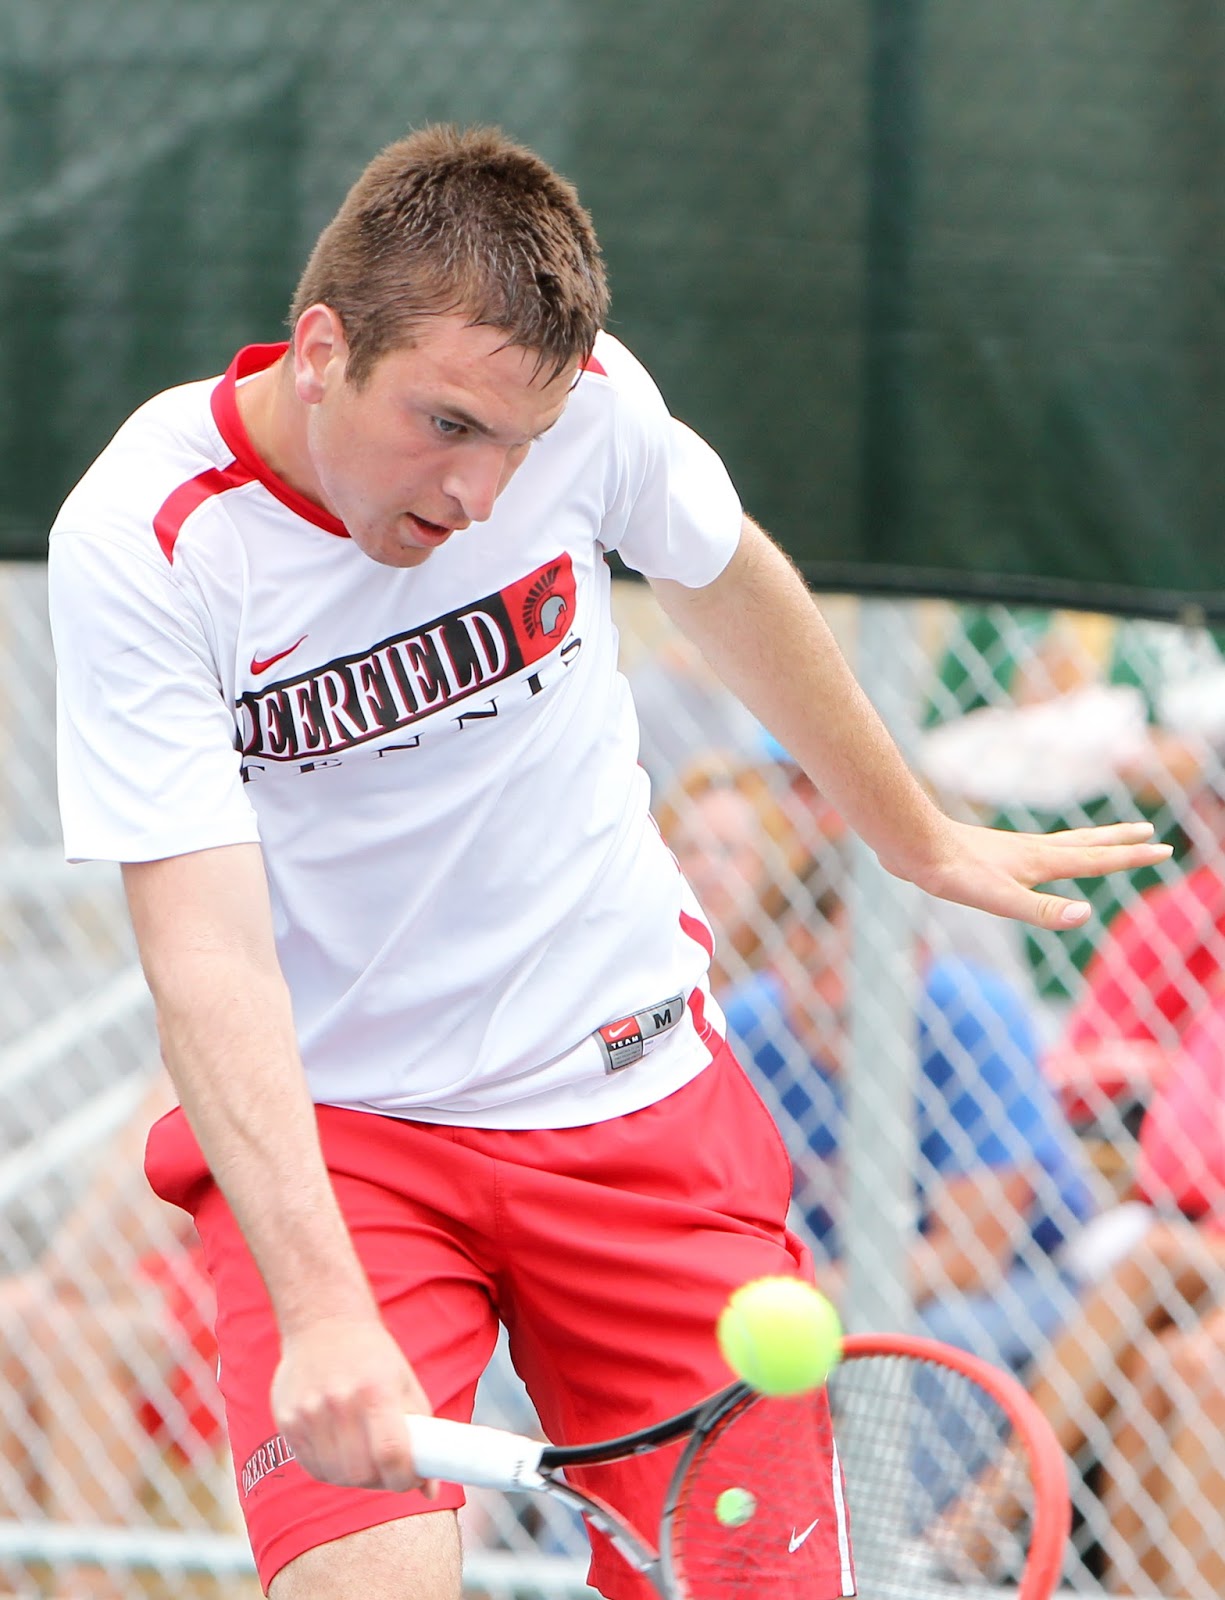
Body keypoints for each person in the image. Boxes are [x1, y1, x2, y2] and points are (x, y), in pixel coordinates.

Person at [47, 124, 1169, 1600]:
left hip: (639, 1109)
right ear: (320, 350)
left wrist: (909, 830)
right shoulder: (146, 539)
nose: (482, 495)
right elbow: (202, 949)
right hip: (351, 1146)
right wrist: (324, 1308)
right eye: (446, 426)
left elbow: (722, 570)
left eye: (522, 443)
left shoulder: (593, 412)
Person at [722, 853, 1098, 1376]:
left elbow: (973, 1256)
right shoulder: (744, 1027)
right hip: (825, 1285)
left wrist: (818, 1290)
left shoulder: (974, 1016)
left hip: (1027, 1275)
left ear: (917, 957)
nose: (835, 994)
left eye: (859, 964)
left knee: (937, 1342)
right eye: (810, 967)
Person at [0, 1073, 227, 1599]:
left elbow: (107, 1237)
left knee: (71, 1330)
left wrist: (63, 1279)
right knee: (19, 1316)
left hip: (236, 1283)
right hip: (160, 1282)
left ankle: (88, 1587)